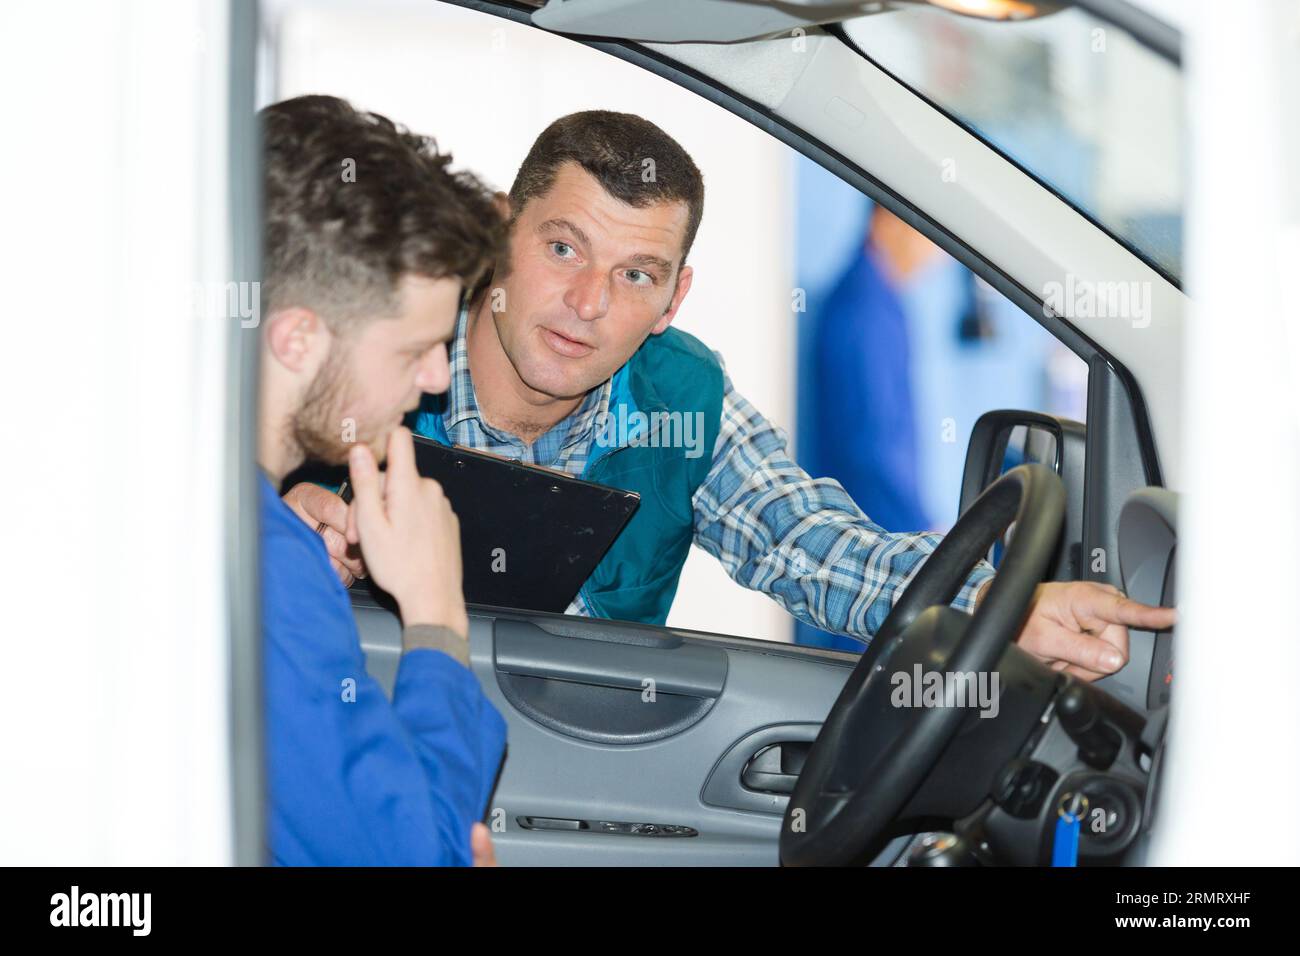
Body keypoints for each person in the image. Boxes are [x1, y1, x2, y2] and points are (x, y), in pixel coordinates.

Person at [287, 109, 1174, 682]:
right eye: (563, 248)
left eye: (637, 274)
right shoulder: (384, 358)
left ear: (674, 299)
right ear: (498, 233)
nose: (590, 304)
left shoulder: (685, 401)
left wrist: (1003, 605)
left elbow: (813, 545)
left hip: (577, 773)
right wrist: (292, 511)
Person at [259, 94, 506, 865]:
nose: (436, 380)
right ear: (298, 339)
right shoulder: (258, 566)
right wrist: (436, 615)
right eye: (415, 350)